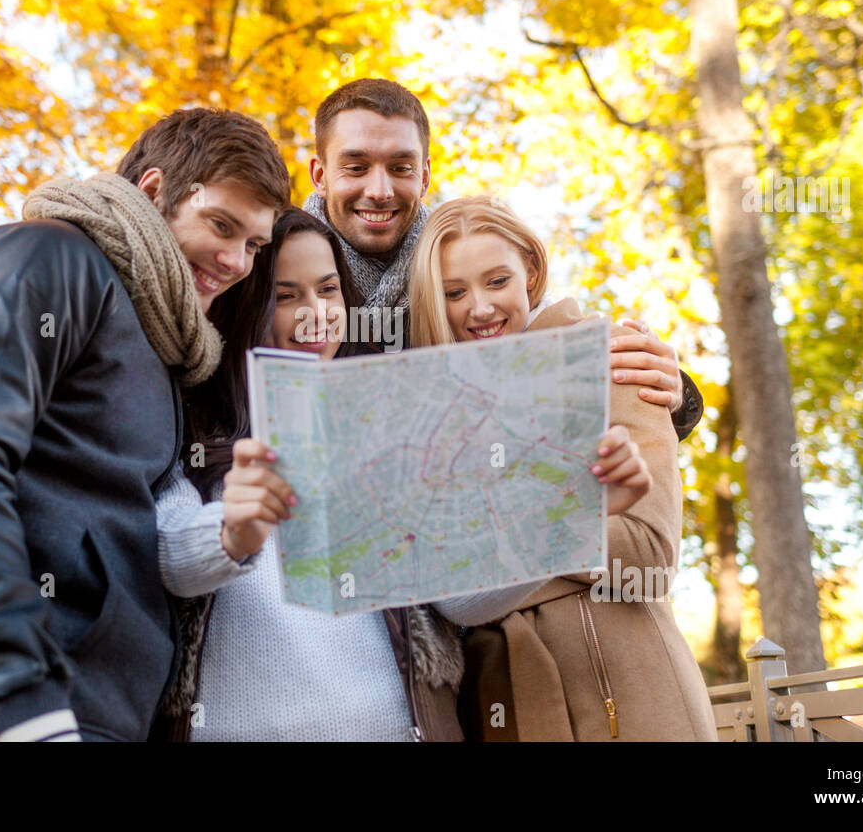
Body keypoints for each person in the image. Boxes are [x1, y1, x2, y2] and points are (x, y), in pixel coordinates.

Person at [0, 108, 290, 742]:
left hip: (94, 718)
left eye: (253, 245)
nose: (235, 261)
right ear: (152, 190)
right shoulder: (45, 257)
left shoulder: (162, 347)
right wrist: (20, 705)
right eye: (221, 225)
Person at [149, 208, 655, 741]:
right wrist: (232, 534)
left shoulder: (382, 425)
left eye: (328, 289)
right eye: (286, 294)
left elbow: (456, 595)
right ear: (243, 301)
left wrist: (574, 506)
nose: (315, 313)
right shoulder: (186, 428)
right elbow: (169, 556)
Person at [407, 194, 717, 741]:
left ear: (529, 270)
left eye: (497, 281)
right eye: (455, 292)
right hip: (499, 700)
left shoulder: (613, 358)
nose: (479, 308)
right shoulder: (439, 415)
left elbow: (646, 550)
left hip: (626, 696)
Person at [304, 77, 703, 436]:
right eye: (355, 167)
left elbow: (547, 348)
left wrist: (675, 394)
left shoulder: (456, 259)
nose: (380, 189)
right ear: (320, 175)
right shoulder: (271, 269)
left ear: (424, 176)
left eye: (400, 167)